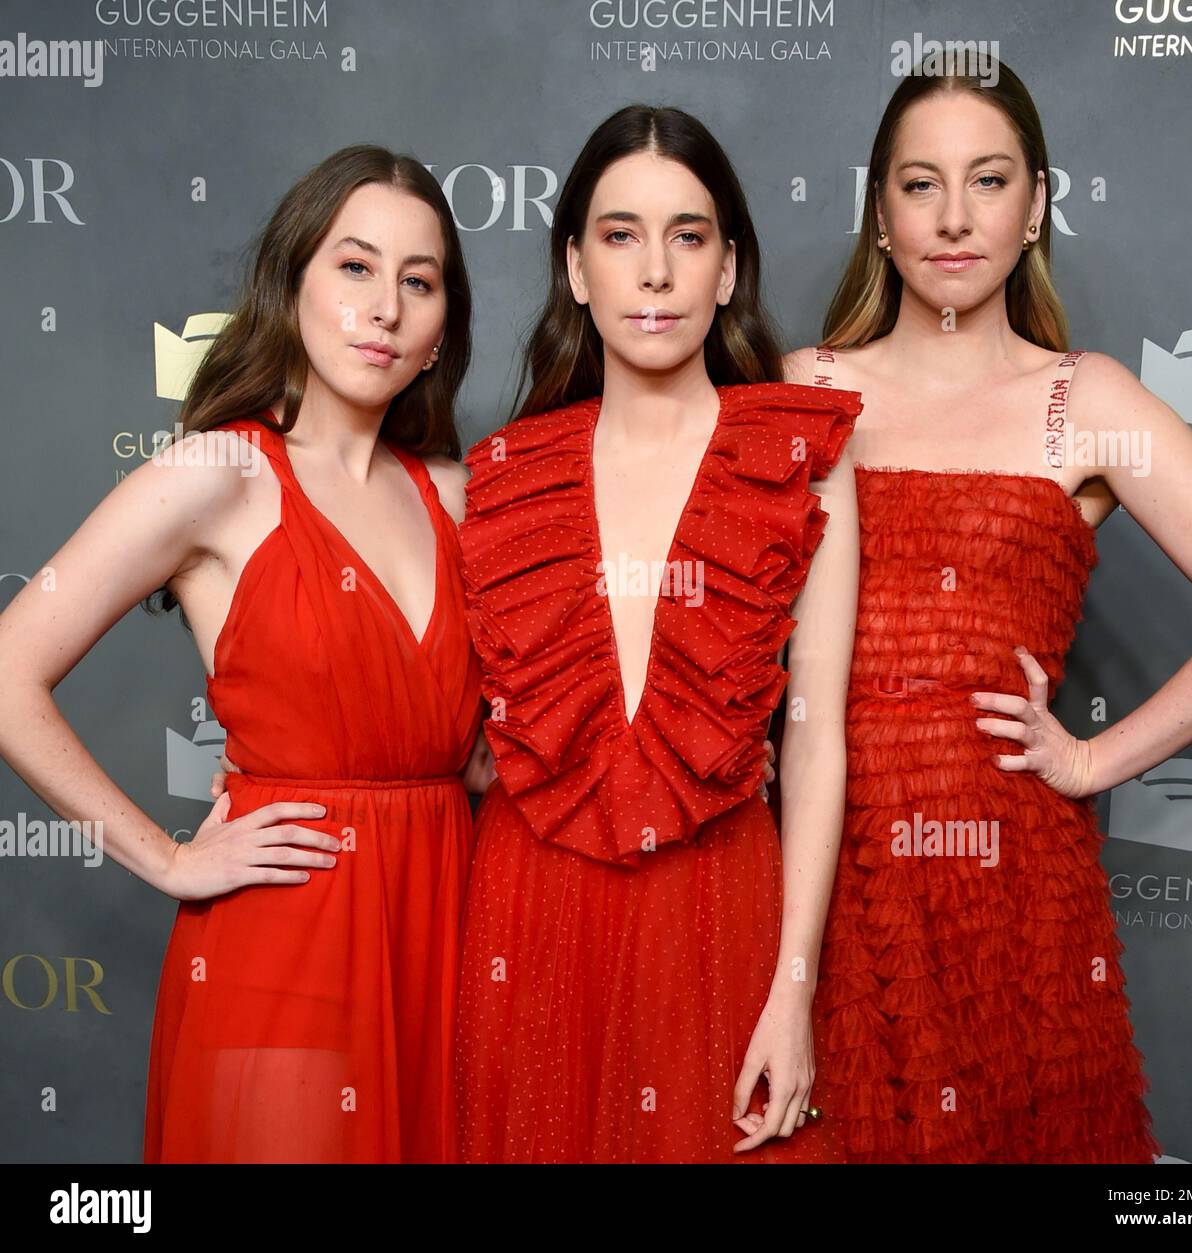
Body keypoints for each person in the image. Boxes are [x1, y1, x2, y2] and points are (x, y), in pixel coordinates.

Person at [784, 60, 1192, 1162]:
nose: (955, 217)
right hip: (822, 873)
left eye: (989, 179)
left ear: (1036, 206)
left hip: (1008, 887)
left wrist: (1091, 761)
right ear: (879, 215)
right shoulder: (806, 386)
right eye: (921, 185)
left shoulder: (1085, 400)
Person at [0, 144, 486, 1162]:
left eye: (418, 279)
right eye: (354, 267)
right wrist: (170, 858)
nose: (384, 306)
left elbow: (468, 745)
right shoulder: (220, 473)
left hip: (445, 937)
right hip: (284, 949)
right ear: (293, 282)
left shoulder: (457, 495)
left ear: (443, 328)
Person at [453, 105, 864, 1162]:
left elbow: (816, 735)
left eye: (688, 237)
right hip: (527, 916)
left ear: (728, 271)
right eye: (619, 235)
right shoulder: (501, 475)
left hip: (719, 912)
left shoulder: (799, 455)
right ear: (576, 269)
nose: (655, 272)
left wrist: (795, 988)